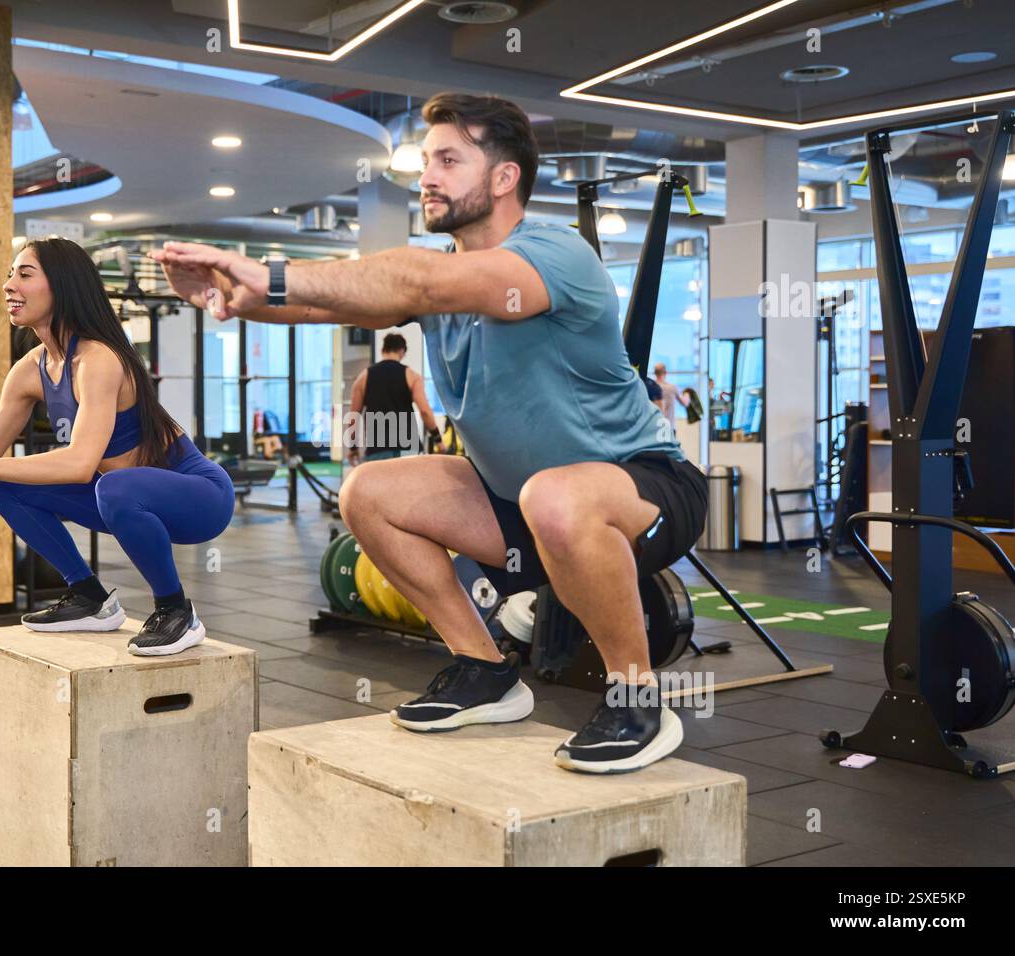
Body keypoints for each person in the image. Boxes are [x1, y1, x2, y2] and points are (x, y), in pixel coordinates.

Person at [154, 92, 706, 774]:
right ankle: (483, 670)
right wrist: (235, 297)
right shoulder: (441, 276)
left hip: (643, 489)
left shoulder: (551, 255)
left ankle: (637, 699)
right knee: (368, 492)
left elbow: (418, 283)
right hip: (519, 508)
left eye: (449, 159)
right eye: (426, 162)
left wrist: (264, 271)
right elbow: (336, 299)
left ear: (505, 177)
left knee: (555, 497)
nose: (428, 177)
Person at [0, 237, 234, 656]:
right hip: (125, 501)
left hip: (199, 498)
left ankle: (176, 610)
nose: (8, 286)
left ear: (63, 285)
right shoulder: (29, 370)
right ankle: (89, 597)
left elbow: (78, 464)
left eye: (24, 274)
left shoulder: (99, 360)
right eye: (8, 275)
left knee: (113, 486)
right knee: (8, 489)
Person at [347, 332, 444, 465]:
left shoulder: (363, 378)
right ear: (401, 351)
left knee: (381, 486)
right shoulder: (412, 376)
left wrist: (353, 447)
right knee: (410, 486)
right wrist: (438, 440)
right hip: (409, 448)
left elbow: (353, 417)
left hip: (377, 450)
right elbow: (425, 412)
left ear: (382, 350)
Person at [652, 362, 689, 435]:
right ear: (665, 373)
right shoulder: (672, 387)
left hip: (655, 429)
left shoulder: (650, 387)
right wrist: (687, 395)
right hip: (669, 428)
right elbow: (685, 403)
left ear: (655, 373)